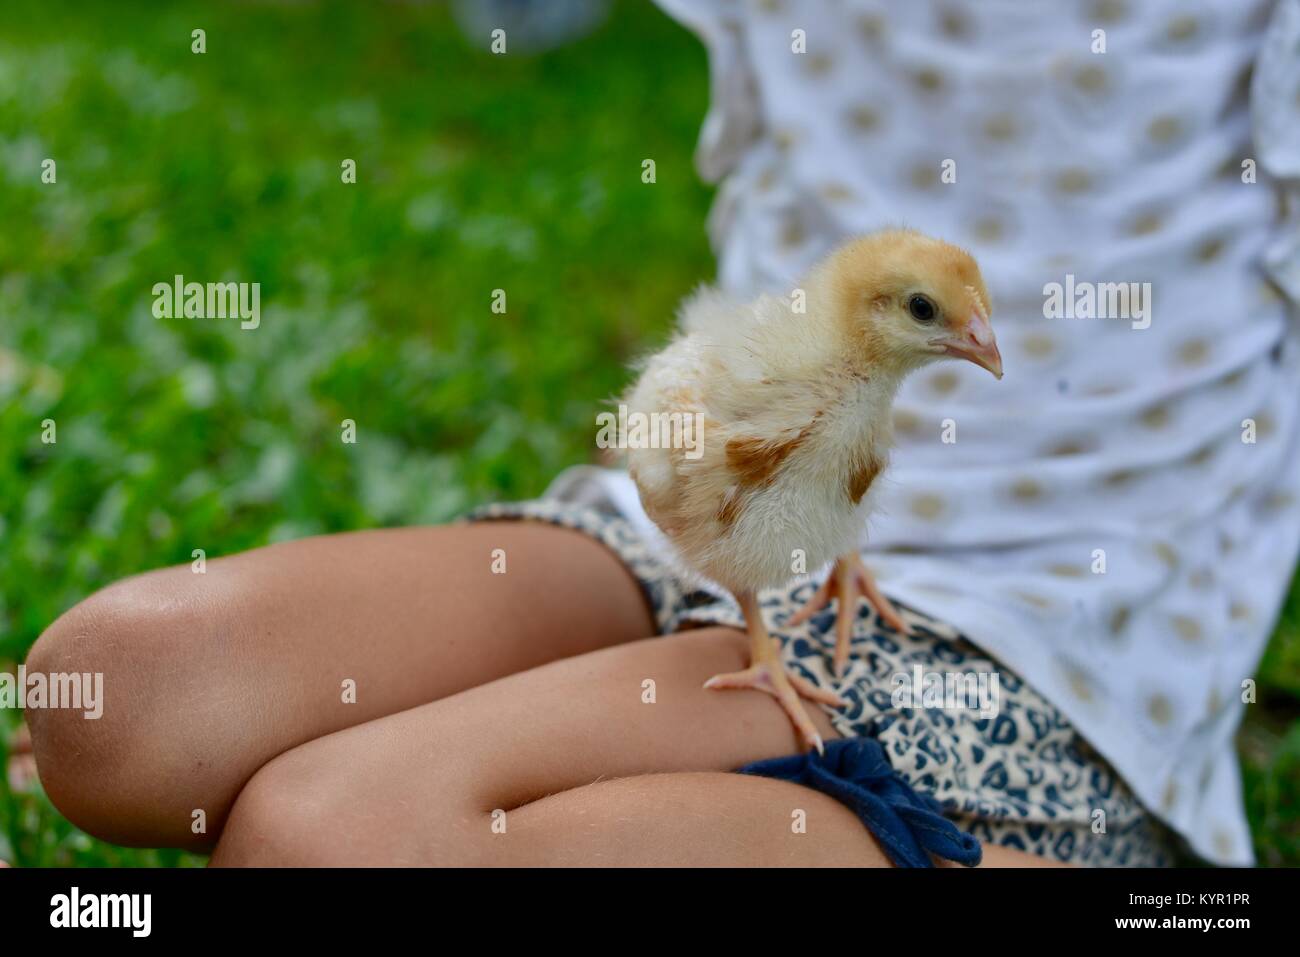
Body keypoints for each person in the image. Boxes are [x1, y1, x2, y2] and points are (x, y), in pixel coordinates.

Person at [26, 0, 1300, 866]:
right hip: (708, 512)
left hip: (1035, 623)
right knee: (123, 697)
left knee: (327, 837)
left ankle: (1038, 848)